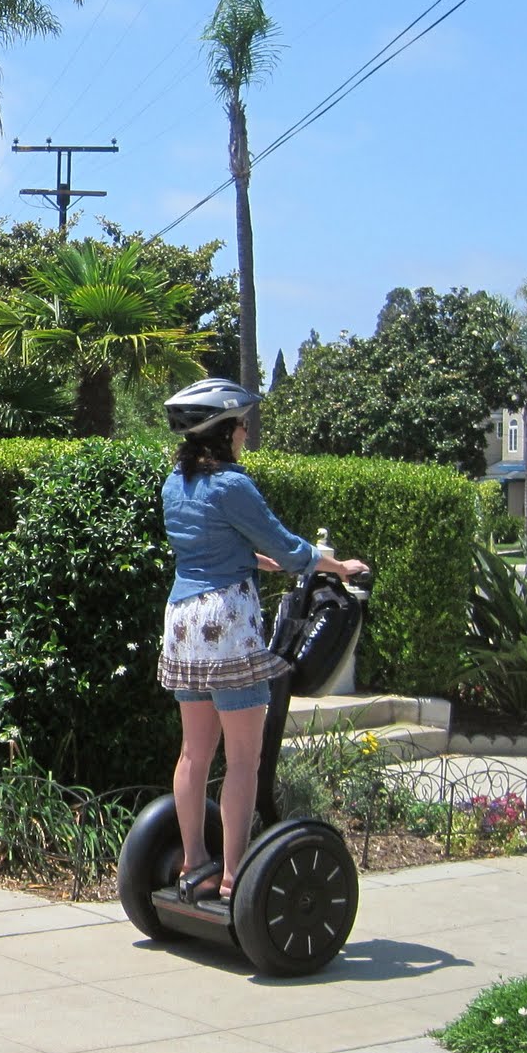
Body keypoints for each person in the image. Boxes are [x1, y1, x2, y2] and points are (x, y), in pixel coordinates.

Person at [158, 378, 367, 903]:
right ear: (223, 430)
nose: (246, 434)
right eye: (242, 425)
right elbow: (288, 544)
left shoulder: (174, 485)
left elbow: (208, 545)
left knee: (193, 754)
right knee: (244, 760)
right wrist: (339, 567)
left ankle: (193, 865)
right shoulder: (233, 484)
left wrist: (256, 561)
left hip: (183, 621)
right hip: (226, 623)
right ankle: (232, 879)